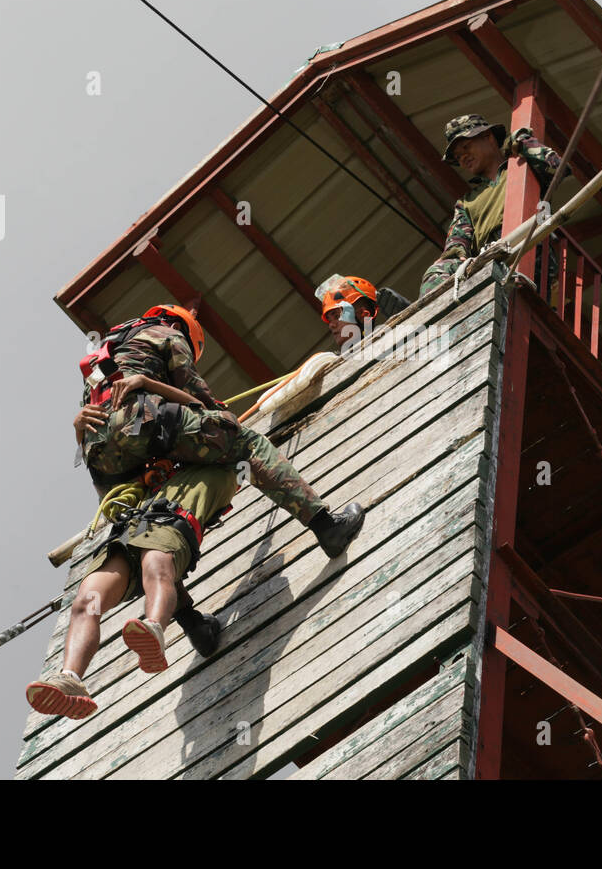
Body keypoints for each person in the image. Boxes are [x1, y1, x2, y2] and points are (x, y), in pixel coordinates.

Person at [75, 303, 364, 555]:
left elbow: (98, 415)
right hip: (143, 420)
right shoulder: (167, 331)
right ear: (178, 325)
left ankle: (189, 618)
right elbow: (192, 389)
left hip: (99, 458)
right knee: (245, 442)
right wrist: (218, 413)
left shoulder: (111, 352)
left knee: (141, 517)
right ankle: (328, 527)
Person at [25, 463, 238, 719]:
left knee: (156, 568)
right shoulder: (145, 476)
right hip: (128, 535)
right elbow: (106, 471)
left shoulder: (218, 467)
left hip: (168, 525)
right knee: (88, 601)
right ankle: (70, 677)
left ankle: (155, 628)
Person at [420, 113, 563, 296]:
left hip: (530, 249)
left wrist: (523, 144)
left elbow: (557, 167)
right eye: (457, 156)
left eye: (466, 146)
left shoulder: (522, 164)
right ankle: (428, 309)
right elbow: (457, 245)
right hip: (490, 259)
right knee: (440, 268)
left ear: (489, 138)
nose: (463, 157)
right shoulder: (466, 202)